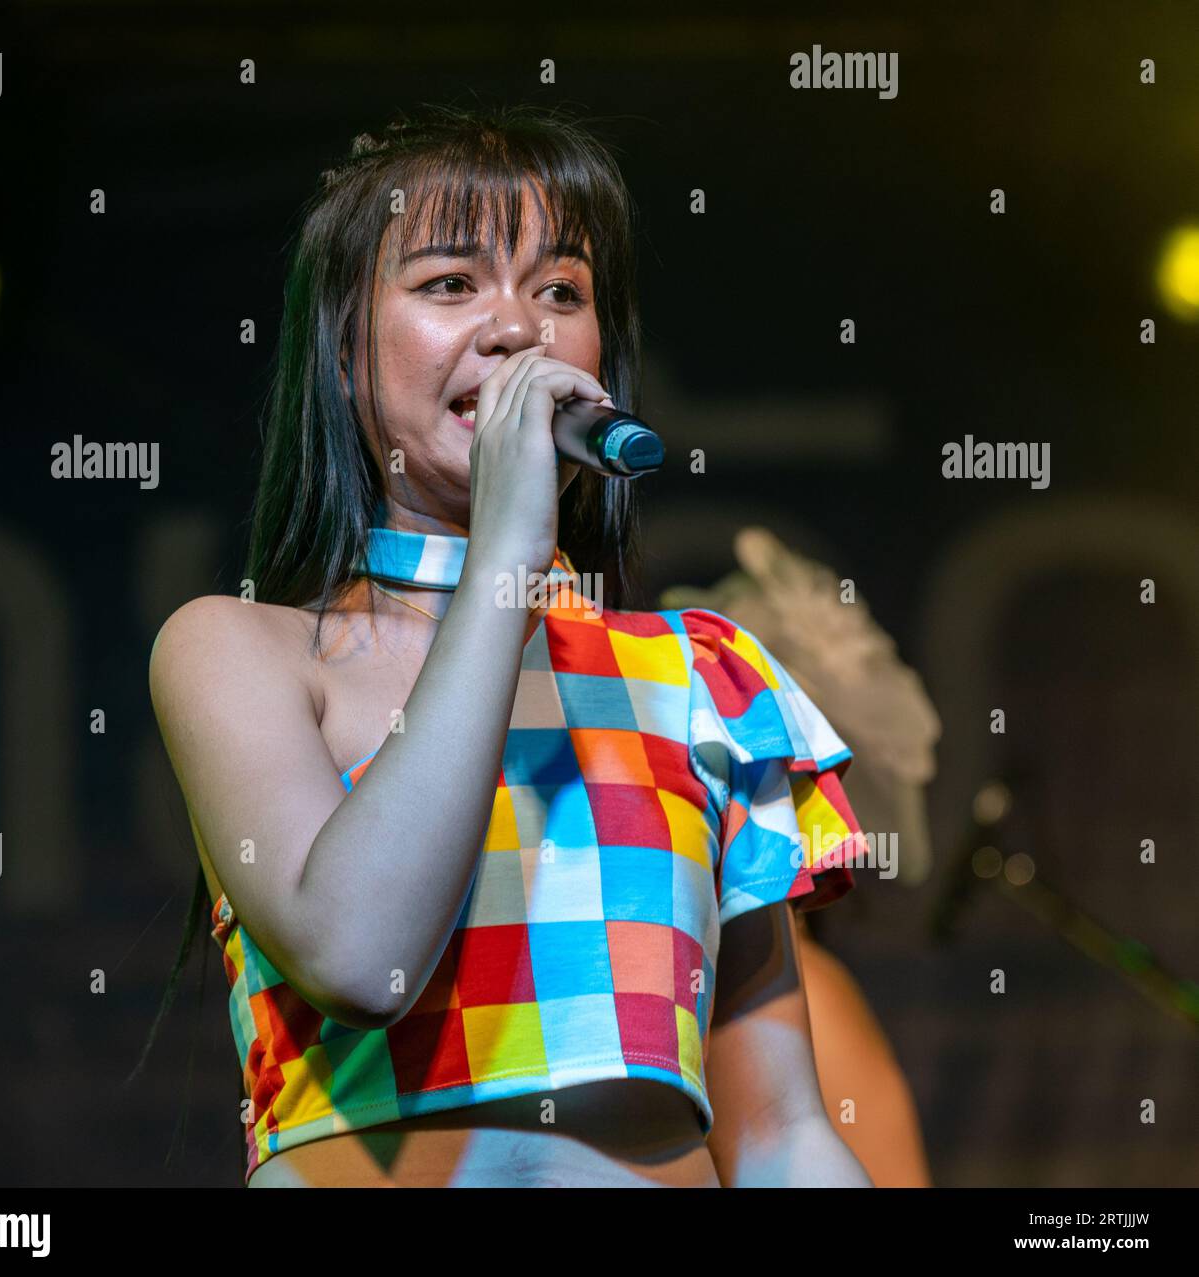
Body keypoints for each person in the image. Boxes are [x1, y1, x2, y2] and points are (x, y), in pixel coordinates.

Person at [146, 101, 873, 1188]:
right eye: (449, 283)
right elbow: (362, 956)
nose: (516, 329)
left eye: (561, 292)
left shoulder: (700, 677)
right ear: (345, 356)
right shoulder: (242, 650)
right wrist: (505, 556)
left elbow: (782, 1135)